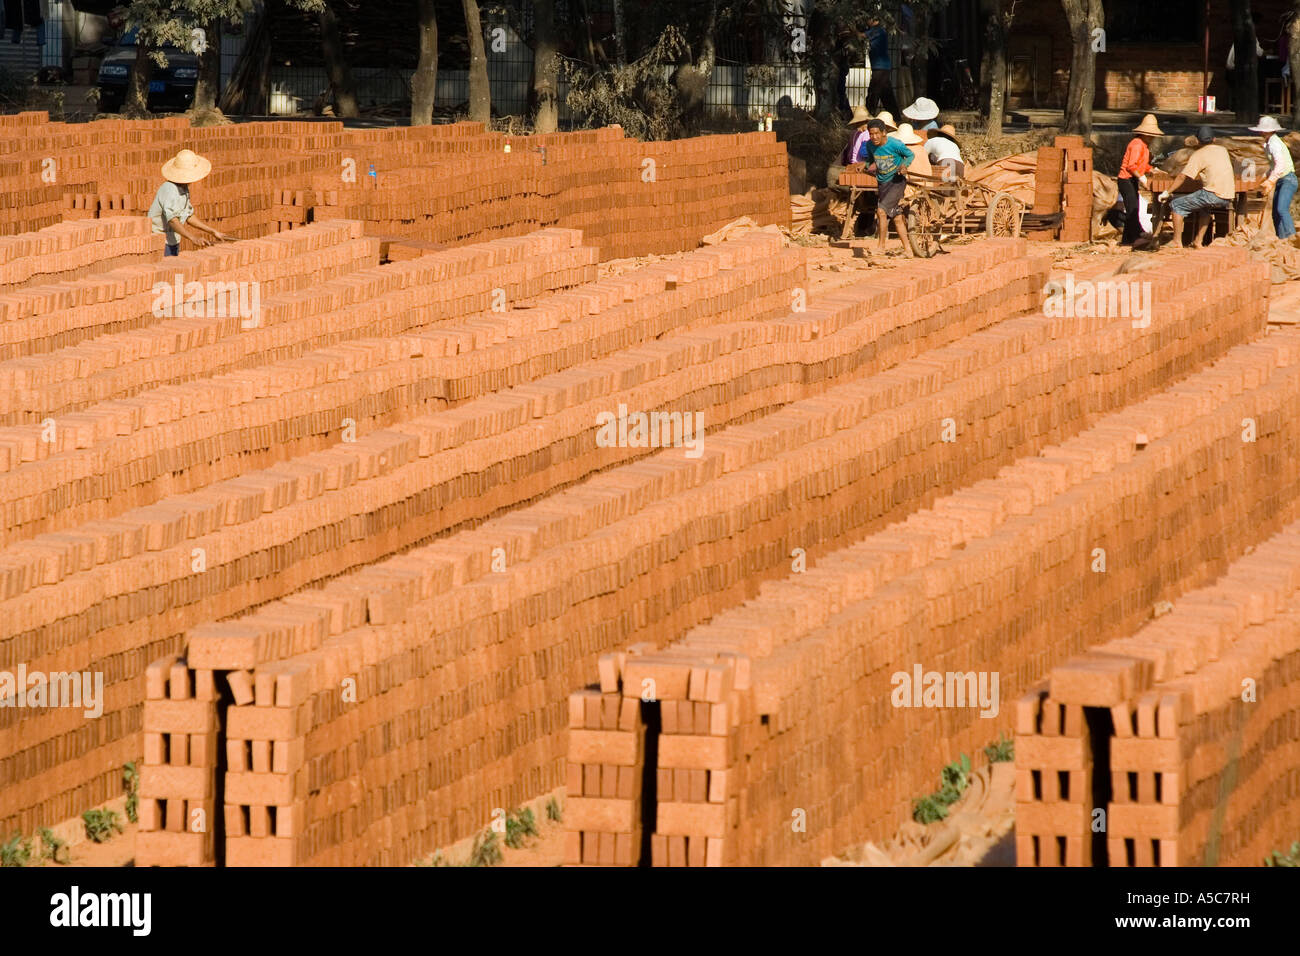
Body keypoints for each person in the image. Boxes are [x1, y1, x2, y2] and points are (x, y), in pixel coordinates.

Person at [1159, 126, 1236, 248]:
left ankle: (1177, 241)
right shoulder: (1223, 150)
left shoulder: (1198, 154)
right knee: (1204, 209)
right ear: (1214, 139)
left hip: (1213, 194)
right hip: (1228, 194)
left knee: (1176, 205)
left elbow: (1182, 177)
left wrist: (1167, 192)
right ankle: (1198, 242)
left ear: (1198, 141)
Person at [148, 149, 234, 257]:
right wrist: (192, 238)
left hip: (173, 241)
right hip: (160, 242)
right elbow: (172, 220)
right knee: (170, 271)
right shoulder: (170, 189)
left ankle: (177, 274)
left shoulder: (183, 189)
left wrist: (212, 231)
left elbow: (188, 216)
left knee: (176, 272)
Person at [859, 118, 915, 255]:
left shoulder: (895, 144)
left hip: (896, 182)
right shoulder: (869, 145)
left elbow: (910, 155)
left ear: (884, 132)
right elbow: (871, 161)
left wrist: (904, 166)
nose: (874, 137)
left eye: (877, 133)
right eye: (871, 134)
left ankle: (881, 246)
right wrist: (865, 165)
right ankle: (908, 250)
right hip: (883, 183)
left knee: (881, 211)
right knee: (896, 218)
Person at [1117, 113, 1162, 246]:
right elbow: (1131, 166)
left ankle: (1127, 239)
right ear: (1145, 134)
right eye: (1151, 135)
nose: (1153, 137)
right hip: (1126, 179)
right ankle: (1136, 236)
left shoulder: (1144, 146)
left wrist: (1151, 169)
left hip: (1132, 179)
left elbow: (1141, 164)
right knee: (1132, 209)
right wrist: (1142, 178)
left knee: (1133, 208)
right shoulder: (1136, 144)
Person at [1252, 115, 1298, 239]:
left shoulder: (1274, 144)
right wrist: (1264, 178)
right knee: (1275, 213)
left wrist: (1270, 180)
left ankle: (1292, 237)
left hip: (1287, 179)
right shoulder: (1268, 144)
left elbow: (1280, 165)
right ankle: (1282, 239)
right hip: (1281, 179)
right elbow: (1273, 167)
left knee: (1281, 209)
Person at [865, 18, 899, 117]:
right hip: (882, 66)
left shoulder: (876, 30)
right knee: (886, 93)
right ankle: (895, 116)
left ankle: (869, 115)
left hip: (880, 67)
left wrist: (852, 30)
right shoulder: (879, 30)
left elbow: (861, 36)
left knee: (874, 91)